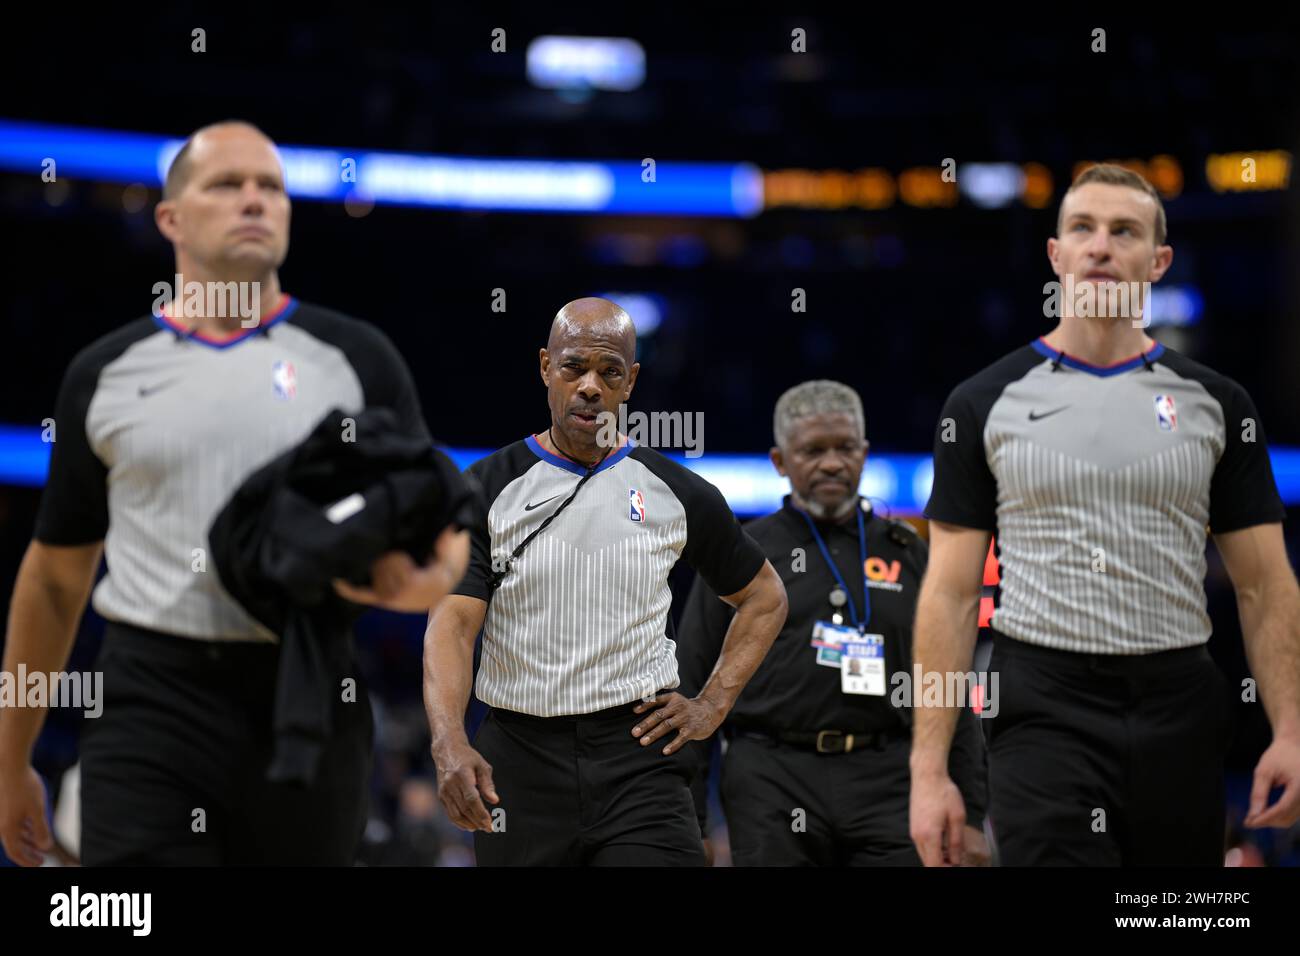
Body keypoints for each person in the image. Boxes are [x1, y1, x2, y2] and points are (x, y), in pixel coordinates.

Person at [0, 121, 469, 866]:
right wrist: (11, 759)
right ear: (171, 219)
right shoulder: (105, 372)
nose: (255, 201)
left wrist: (418, 581)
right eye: (227, 185)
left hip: (310, 694)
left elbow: (443, 527)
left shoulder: (358, 359)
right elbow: (56, 578)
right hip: (149, 699)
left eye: (271, 187)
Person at [910, 164, 1300, 866]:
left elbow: (1266, 586)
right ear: (1055, 255)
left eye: (1124, 231)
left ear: (1157, 262)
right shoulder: (980, 403)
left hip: (1180, 702)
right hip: (1041, 705)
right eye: (1082, 228)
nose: (1100, 246)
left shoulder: (1220, 405)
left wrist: (1292, 731)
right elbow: (950, 594)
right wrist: (929, 770)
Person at [422, 297, 788, 866]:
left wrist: (711, 705)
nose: (591, 386)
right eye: (574, 368)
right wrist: (449, 741)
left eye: (609, 371)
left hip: (640, 759)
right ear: (546, 367)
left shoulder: (677, 491)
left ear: (630, 381)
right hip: (518, 761)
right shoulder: (484, 488)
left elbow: (764, 596)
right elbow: (451, 626)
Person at [678, 380, 987, 866]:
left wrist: (970, 812)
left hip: (889, 775)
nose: (831, 463)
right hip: (770, 778)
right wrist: (689, 822)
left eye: (845, 448)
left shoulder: (908, 552)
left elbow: (948, 682)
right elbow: (692, 683)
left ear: (865, 453)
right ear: (780, 462)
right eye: (812, 450)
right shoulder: (740, 555)